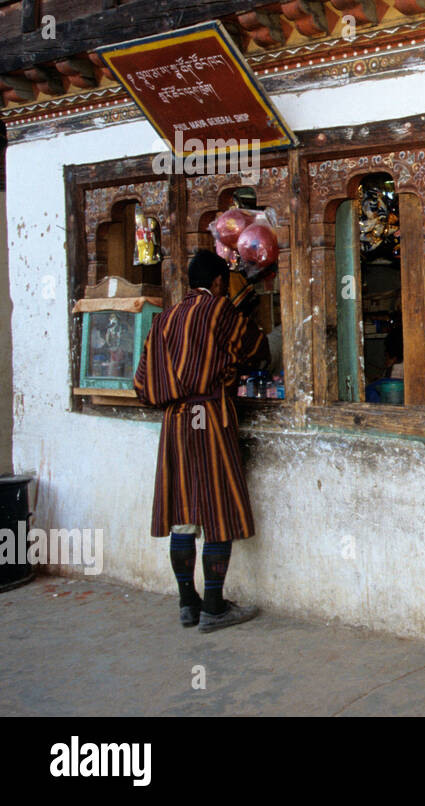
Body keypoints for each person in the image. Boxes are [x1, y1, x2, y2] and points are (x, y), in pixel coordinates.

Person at [133, 250, 270, 633]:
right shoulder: (221, 312)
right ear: (218, 283)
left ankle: (187, 604)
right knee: (217, 512)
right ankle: (214, 605)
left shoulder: (162, 320)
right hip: (209, 417)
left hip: (175, 423)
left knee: (183, 516)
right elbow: (259, 351)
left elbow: (142, 386)